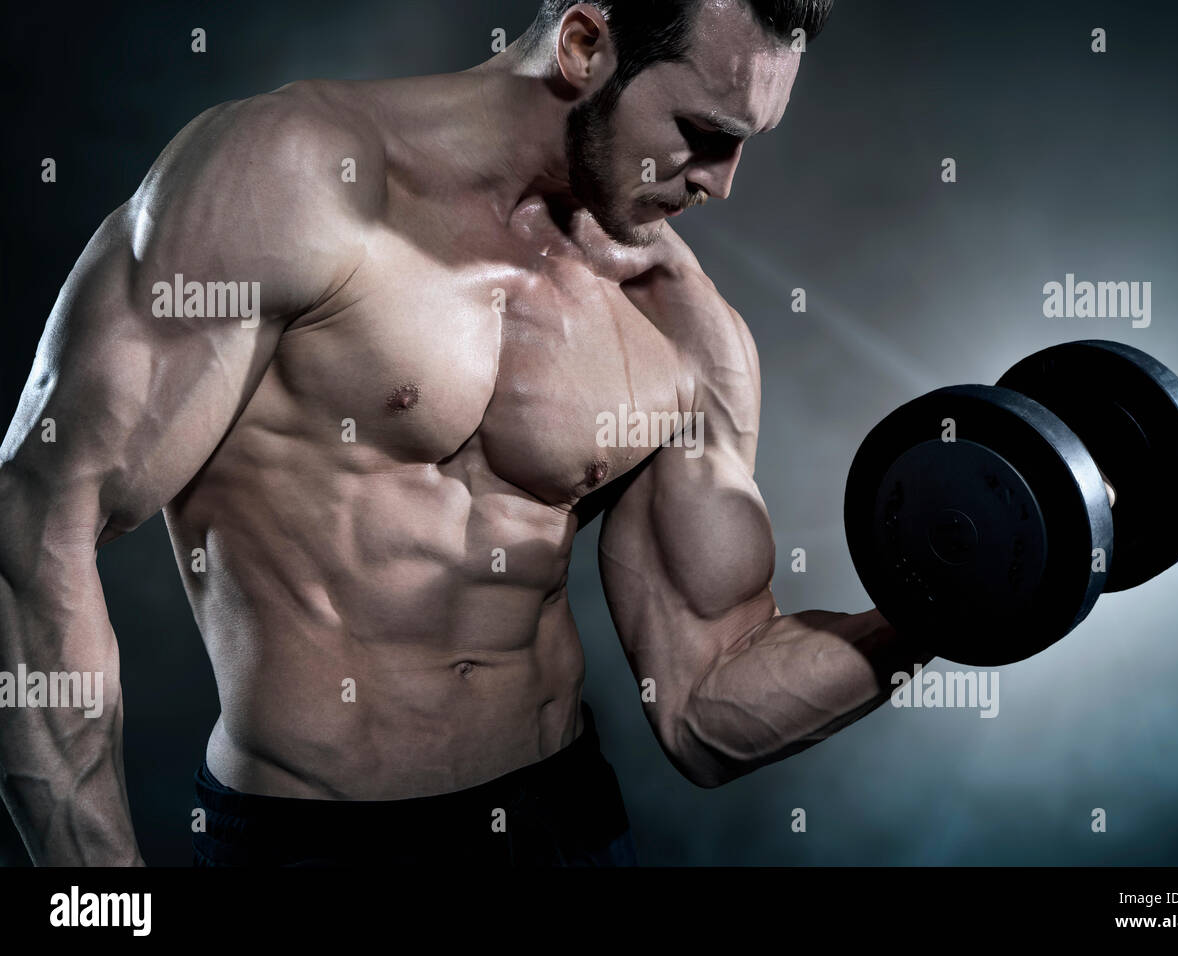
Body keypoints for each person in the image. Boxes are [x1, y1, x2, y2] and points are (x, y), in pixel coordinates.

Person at [0, 0, 925, 867]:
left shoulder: (684, 327)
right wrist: (95, 896)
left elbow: (705, 704)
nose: (722, 185)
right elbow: (34, 524)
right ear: (584, 47)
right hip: (310, 841)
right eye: (705, 134)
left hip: (567, 823)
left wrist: (947, 613)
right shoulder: (293, 177)